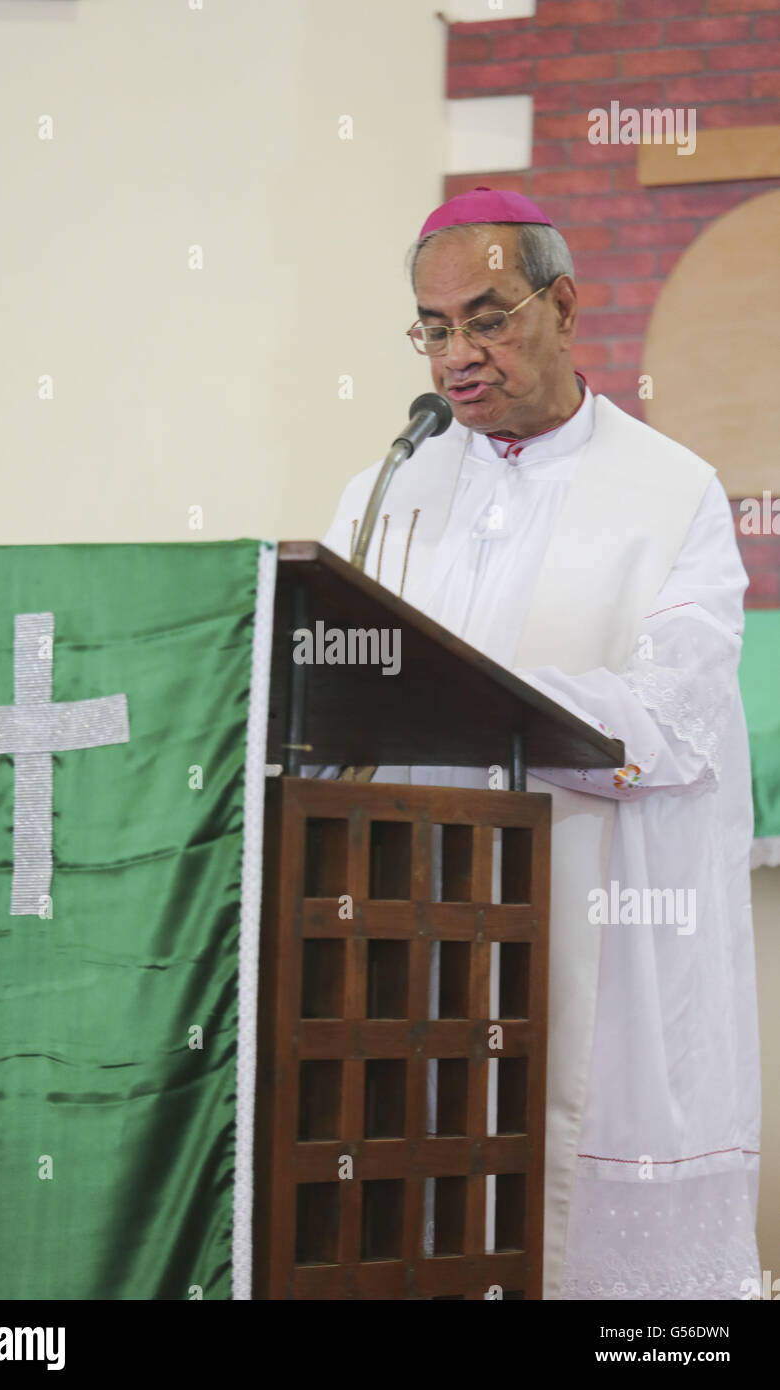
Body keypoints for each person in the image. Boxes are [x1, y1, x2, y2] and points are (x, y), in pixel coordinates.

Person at [321, 187, 761, 1300]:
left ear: (560, 304)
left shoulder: (670, 496)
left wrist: (470, 695)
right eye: (431, 328)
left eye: (486, 316)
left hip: (596, 940)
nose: (456, 355)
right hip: (403, 940)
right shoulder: (381, 498)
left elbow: (671, 721)